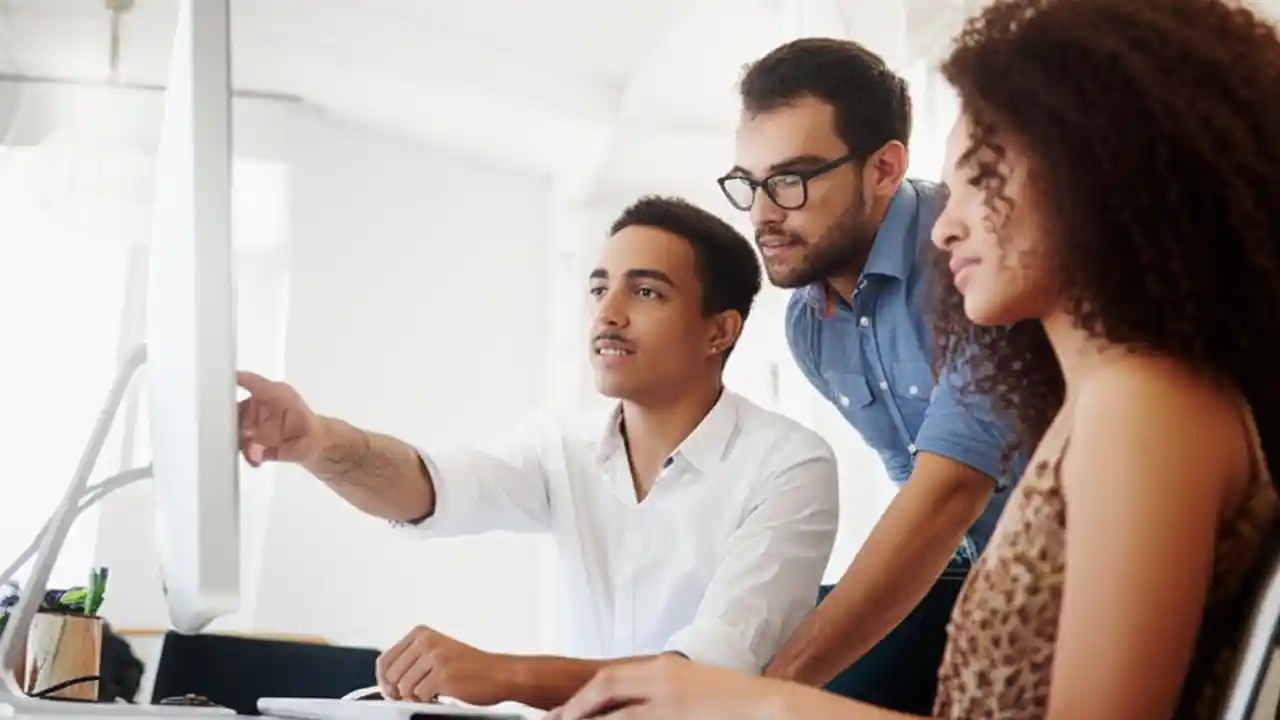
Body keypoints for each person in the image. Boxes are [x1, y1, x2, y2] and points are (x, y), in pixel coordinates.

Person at [549, 0, 1280, 717]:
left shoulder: (1139, 406)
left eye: (981, 180)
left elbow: (943, 498)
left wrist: (768, 700)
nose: (945, 226)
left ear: (1094, 171)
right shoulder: (1094, 408)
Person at [235, 195, 840, 711]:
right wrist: (316, 441)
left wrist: (504, 675)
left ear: (719, 331)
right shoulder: (563, 444)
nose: (607, 314)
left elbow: (708, 675)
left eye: (646, 291)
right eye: (599, 288)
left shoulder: (789, 466)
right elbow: (434, 487)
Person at [711, 36, 1016, 711]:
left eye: (789, 180)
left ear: (883, 169)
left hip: (1069, 565)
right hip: (980, 571)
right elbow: (918, 489)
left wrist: (765, 694)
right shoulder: (810, 327)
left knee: (803, 673)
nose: (763, 213)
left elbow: (946, 496)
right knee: (768, 624)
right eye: (749, 184)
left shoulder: (971, 263)